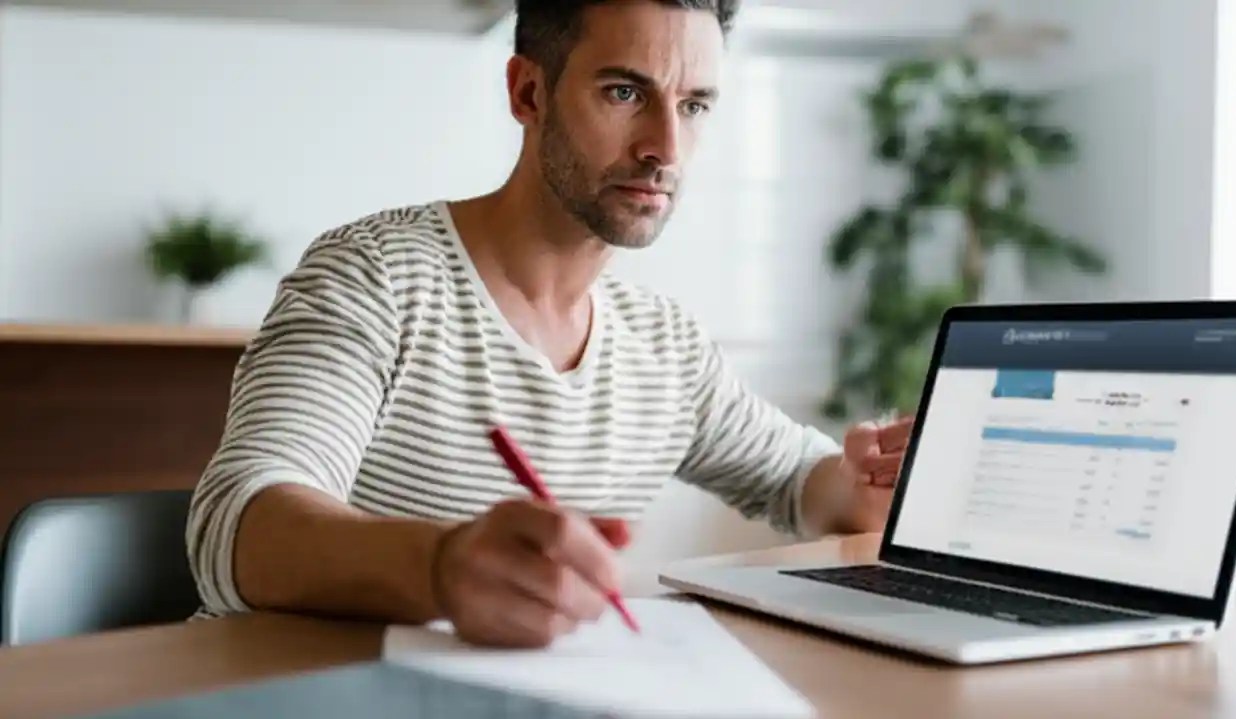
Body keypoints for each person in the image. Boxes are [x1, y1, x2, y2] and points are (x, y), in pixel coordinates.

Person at [185, 0, 914, 649]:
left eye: (693, 106)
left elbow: (799, 482)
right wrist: (442, 570)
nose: (665, 146)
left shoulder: (662, 343)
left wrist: (859, 486)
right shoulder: (376, 276)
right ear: (528, 92)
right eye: (625, 91)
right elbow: (238, 526)